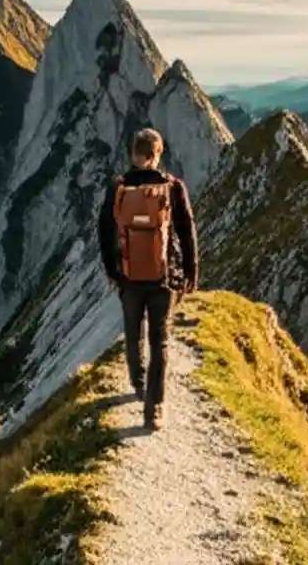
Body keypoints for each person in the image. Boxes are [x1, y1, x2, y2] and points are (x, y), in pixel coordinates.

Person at [98, 128, 198, 430]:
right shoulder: (173, 187)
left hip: (129, 277)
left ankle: (138, 381)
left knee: (133, 330)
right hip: (163, 277)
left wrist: (113, 270)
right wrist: (191, 271)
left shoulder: (118, 187)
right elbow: (186, 230)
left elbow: (104, 231)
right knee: (160, 340)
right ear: (157, 155)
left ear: (134, 153)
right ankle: (154, 408)